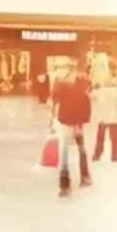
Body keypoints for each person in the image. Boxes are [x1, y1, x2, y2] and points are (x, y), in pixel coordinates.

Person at [50, 69, 92, 197]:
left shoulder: (62, 87)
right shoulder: (80, 89)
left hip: (66, 122)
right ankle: (84, 176)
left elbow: (54, 101)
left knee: (65, 152)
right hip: (74, 123)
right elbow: (86, 108)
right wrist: (81, 124)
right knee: (80, 149)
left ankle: (65, 183)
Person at [92, 75, 117, 163]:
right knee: (115, 139)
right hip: (114, 118)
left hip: (102, 118)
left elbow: (91, 97)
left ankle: (97, 154)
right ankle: (115, 156)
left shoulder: (99, 92)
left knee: (100, 138)